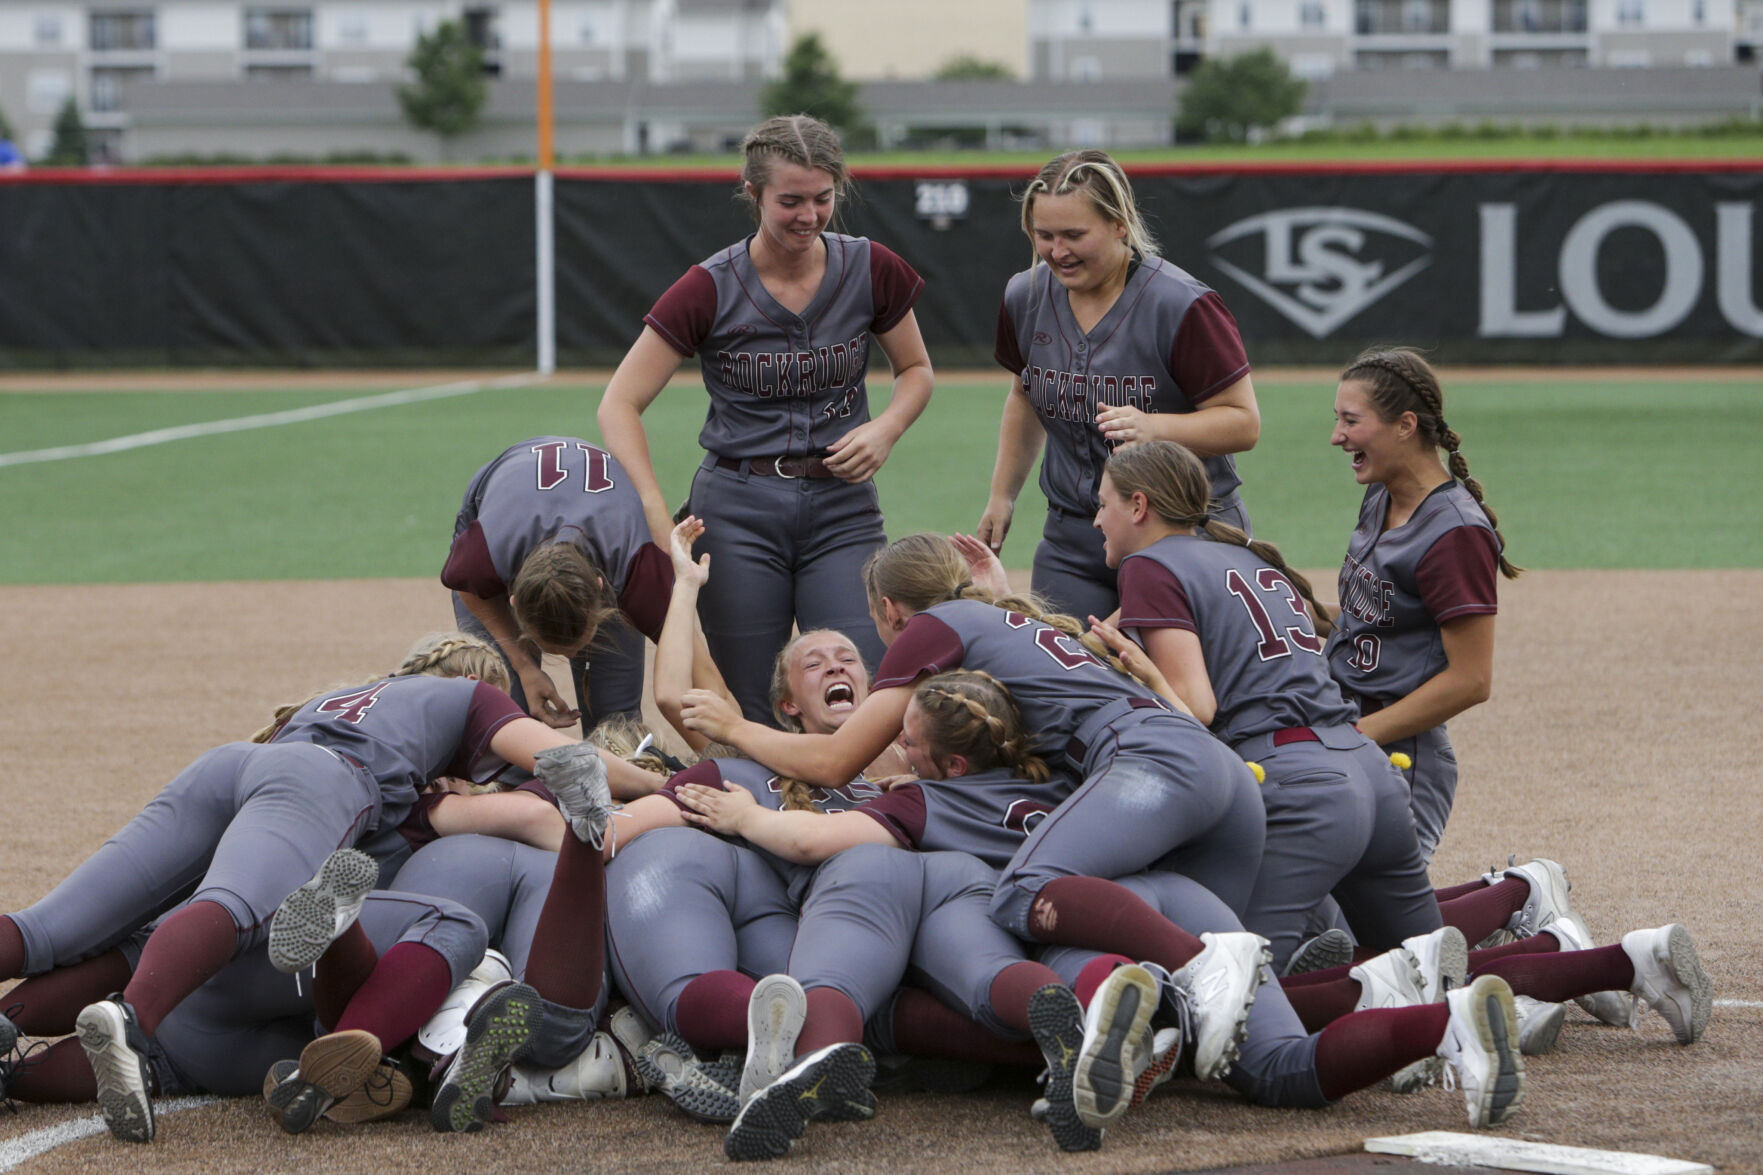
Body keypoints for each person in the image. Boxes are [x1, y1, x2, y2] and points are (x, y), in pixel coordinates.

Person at [679, 533, 1274, 1085]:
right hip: (1214, 769)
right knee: (1261, 1055)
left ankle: (1195, 966)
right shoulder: (1003, 635)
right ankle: (1353, 988)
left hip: (1149, 764)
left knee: (1024, 891)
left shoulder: (933, 641)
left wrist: (736, 733)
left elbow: (835, 764)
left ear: (889, 611)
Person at [0, 633, 641, 1142]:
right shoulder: (463, 708)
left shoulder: (330, 706)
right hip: (311, 827)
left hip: (228, 783)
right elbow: (554, 766)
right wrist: (657, 790)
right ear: (477, 681)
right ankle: (390, 1055)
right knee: (444, 933)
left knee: (51, 930)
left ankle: (19, 1033)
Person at [597, 112, 935, 724]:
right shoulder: (711, 285)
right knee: (752, 703)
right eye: (790, 201)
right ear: (752, 194)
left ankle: (854, 816)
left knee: (864, 682)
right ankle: (763, 815)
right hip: (737, 509)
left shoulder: (870, 267)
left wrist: (887, 428)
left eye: (822, 199)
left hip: (843, 506)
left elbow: (916, 370)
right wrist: (651, 507)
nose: (809, 215)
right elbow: (619, 402)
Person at [1091, 440, 1439, 974]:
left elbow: (1196, 709)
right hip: (1369, 769)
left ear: (1139, 507)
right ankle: (1569, 954)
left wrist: (1145, 674)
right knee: (1432, 969)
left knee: (1235, 987)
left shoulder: (1147, 565)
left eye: (1104, 504)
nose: (1097, 520)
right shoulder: (1241, 553)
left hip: (1299, 789)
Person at [977, 148, 1261, 625]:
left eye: (1074, 235)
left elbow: (1243, 423)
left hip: (1183, 533)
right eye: (1043, 235)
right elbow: (1025, 397)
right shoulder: (1024, 297)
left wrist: (1154, 427)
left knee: (1186, 689)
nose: (1057, 251)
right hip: (1073, 538)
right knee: (1067, 679)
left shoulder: (1181, 305)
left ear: (1119, 225)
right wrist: (1002, 496)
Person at [1325, 347, 1521, 860]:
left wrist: (1357, 735)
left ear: (1405, 425)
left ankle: (1518, 895)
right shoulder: (1382, 493)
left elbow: (1471, 679)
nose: (1336, 436)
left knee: (1384, 927)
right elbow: (1370, 622)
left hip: (1399, 755)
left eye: (1351, 420)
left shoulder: (1454, 534)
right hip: (1348, 722)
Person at [441, 434, 680, 731]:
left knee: (616, 723)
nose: (572, 657)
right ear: (513, 600)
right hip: (511, 505)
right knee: (504, 712)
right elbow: (469, 590)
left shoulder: (637, 569)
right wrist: (524, 667)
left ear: (601, 588)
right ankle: (511, 776)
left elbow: (692, 675)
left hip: (600, 524)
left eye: (579, 644)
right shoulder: (487, 553)